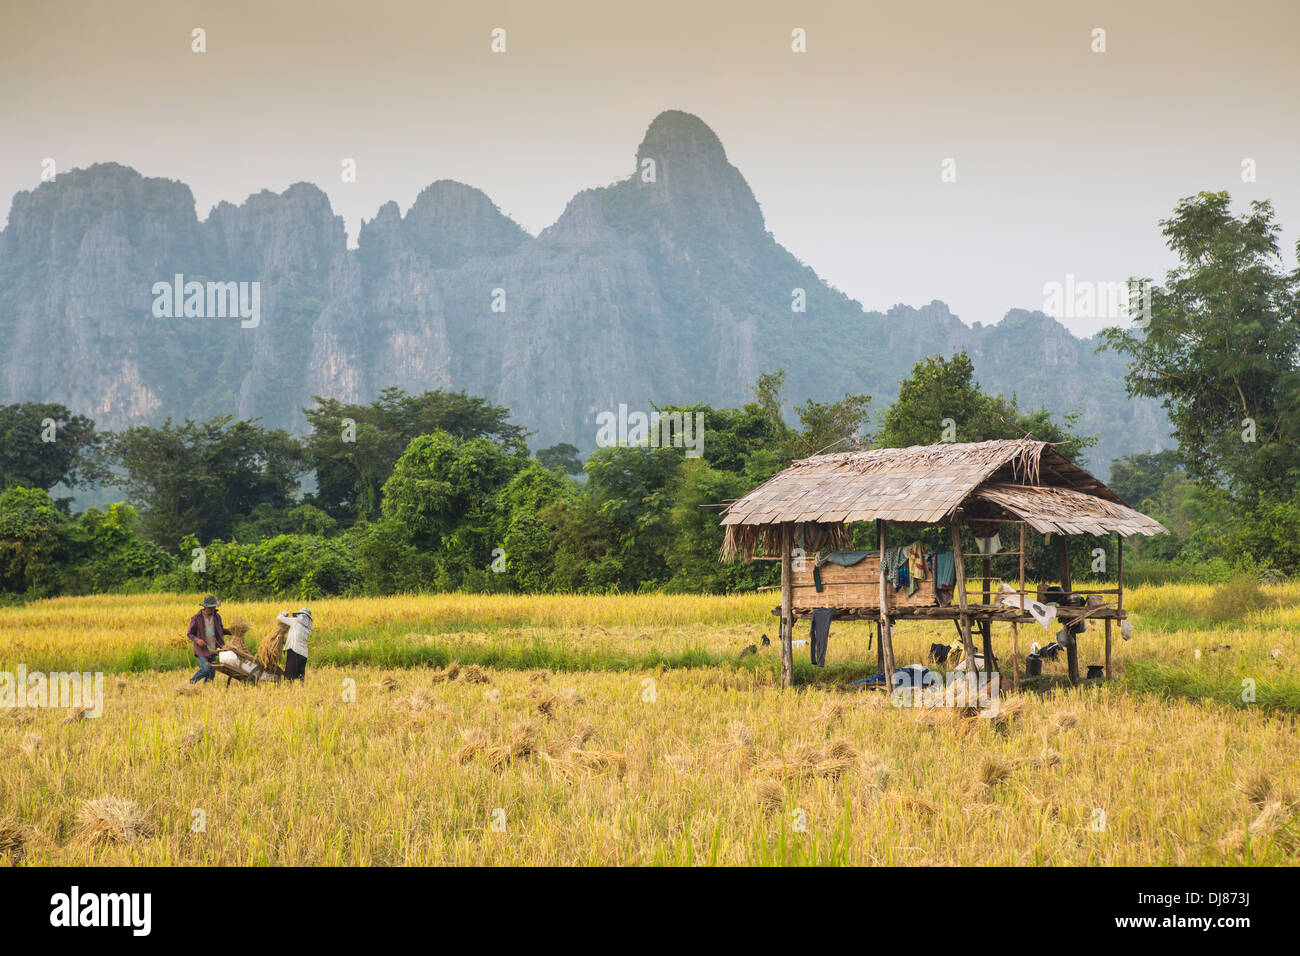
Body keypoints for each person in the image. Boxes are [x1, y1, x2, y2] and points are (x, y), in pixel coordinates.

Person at [187, 595, 231, 684]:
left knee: (211, 675)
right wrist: (197, 640)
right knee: (205, 669)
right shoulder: (196, 618)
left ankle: (207, 689)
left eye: (214, 607)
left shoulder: (217, 617)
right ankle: (191, 683)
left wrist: (232, 631)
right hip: (202, 650)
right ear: (205, 607)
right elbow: (189, 634)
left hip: (214, 649)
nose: (213, 609)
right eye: (211, 607)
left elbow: (220, 630)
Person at [278, 607, 312, 681]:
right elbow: (297, 639)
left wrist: (283, 613)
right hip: (304, 654)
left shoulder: (295, 621)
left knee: (289, 675)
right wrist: (284, 640)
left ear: (301, 615)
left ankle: (289, 690)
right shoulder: (307, 630)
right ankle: (302, 689)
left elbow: (280, 618)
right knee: (300, 675)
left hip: (294, 651)